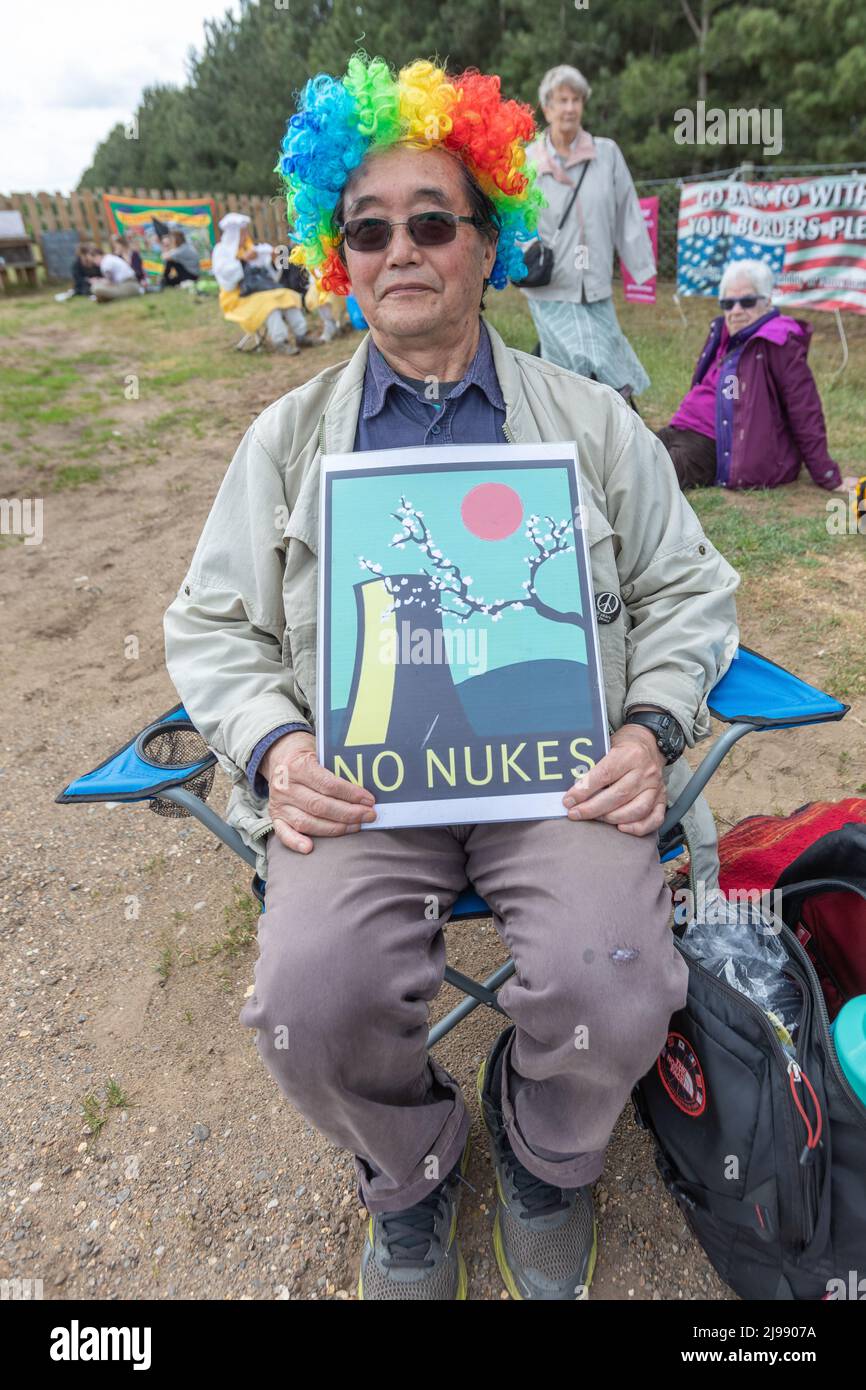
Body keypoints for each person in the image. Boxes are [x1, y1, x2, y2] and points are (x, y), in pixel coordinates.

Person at [164, 53, 739, 1302]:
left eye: (432, 222)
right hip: (360, 787)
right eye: (366, 230)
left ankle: (545, 1151)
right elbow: (210, 624)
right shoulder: (286, 441)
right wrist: (274, 747)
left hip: (559, 778)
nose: (399, 251)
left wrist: (647, 726)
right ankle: (408, 1171)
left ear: (488, 243)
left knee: (615, 976)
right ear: (338, 257)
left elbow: (689, 589)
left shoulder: (589, 421)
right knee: (307, 998)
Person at [520, 64, 656, 401]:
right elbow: (516, 219)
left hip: (594, 283)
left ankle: (617, 418)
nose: (569, 108)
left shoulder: (606, 154)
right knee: (574, 363)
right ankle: (568, 420)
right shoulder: (528, 161)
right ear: (547, 108)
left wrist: (640, 267)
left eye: (576, 100)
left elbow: (627, 210)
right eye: (562, 100)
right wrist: (524, 254)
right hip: (551, 285)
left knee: (609, 359)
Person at [657, 259, 844, 491]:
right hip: (679, 429)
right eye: (728, 303)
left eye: (747, 302)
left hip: (714, 444)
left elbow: (804, 408)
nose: (736, 311)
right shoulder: (724, 334)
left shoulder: (777, 340)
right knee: (630, 451)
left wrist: (827, 474)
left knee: (650, 476)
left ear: (767, 302)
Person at [211, 212, 315, 354]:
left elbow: (268, 273)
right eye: (242, 233)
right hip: (236, 297)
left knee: (286, 295)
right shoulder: (221, 251)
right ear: (233, 234)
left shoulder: (249, 248)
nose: (245, 236)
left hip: (258, 290)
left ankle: (301, 335)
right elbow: (226, 277)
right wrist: (243, 260)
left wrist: (271, 258)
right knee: (270, 304)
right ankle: (280, 341)